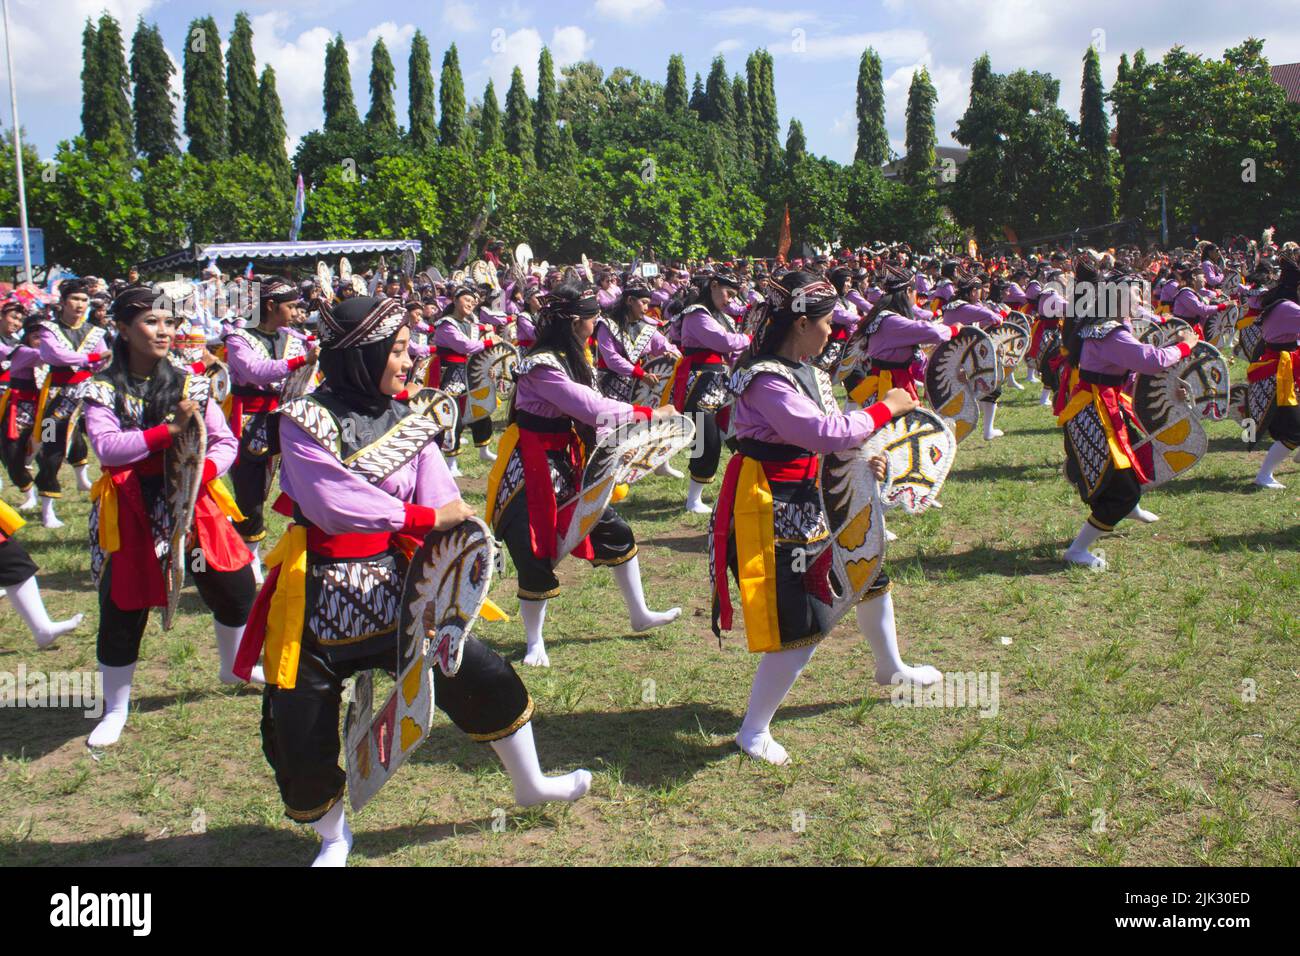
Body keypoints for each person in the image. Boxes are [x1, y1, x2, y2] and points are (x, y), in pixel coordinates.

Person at [243, 294, 590, 866]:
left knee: (479, 671)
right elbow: (333, 503)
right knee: (297, 725)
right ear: (365, 353)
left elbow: (444, 500)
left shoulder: (414, 417)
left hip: (400, 584)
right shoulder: (302, 419)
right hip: (315, 590)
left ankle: (530, 783)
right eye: (400, 350)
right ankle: (334, 836)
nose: (411, 360)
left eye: (409, 348)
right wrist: (423, 519)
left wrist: (456, 555)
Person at [710, 271, 939, 767]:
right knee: (803, 618)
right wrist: (887, 408)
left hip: (815, 490)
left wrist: (864, 458)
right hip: (773, 502)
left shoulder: (801, 368)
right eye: (828, 322)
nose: (834, 332)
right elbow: (821, 431)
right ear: (799, 323)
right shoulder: (766, 377)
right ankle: (753, 730)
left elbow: (836, 439)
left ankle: (891, 668)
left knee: (869, 573)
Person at [81, 287, 259, 748]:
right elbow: (106, 448)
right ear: (121, 328)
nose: (163, 331)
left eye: (168, 322)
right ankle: (115, 708)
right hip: (131, 505)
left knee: (235, 584)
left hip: (191, 500)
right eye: (150, 322)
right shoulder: (102, 387)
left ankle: (232, 667)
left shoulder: (189, 382)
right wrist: (169, 431)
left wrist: (201, 471)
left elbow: (223, 441)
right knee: (125, 605)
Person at [484, 281, 681, 668]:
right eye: (593, 318)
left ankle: (639, 613)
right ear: (576, 322)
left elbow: (593, 415)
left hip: (566, 461)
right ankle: (533, 641)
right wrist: (650, 415)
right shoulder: (542, 365)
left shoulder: (574, 356)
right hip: (530, 469)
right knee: (533, 551)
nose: (597, 324)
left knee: (614, 530)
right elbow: (591, 408)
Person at [1057, 270, 1197, 569]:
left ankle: (1130, 507)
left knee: (1139, 453)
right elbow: (1150, 361)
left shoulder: (1110, 326)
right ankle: (1078, 550)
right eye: (1136, 293)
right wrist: (1185, 346)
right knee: (1120, 488)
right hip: (1095, 413)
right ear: (1118, 297)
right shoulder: (1111, 332)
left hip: (1104, 406)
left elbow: (1133, 373)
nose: (1142, 299)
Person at [225, 278, 316, 581]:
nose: (294, 312)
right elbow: (255, 371)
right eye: (290, 306)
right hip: (250, 421)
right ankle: (249, 555)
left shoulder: (292, 337)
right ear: (270, 306)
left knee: (303, 480)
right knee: (251, 491)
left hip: (285, 417)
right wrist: (301, 360)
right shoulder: (238, 338)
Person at [667, 273, 751, 514]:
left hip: (721, 382)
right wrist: (750, 339)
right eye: (728, 294)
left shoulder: (717, 315)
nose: (729, 301)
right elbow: (724, 342)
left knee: (738, 434)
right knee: (706, 439)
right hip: (700, 382)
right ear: (713, 286)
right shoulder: (696, 314)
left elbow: (731, 349)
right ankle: (693, 499)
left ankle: (744, 487)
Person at [33, 278, 110, 527]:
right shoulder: (48, 329)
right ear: (63, 302)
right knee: (51, 445)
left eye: (84, 300)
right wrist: (93, 357)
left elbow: (104, 360)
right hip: (58, 393)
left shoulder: (95, 331)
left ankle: (97, 486)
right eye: (75, 299)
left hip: (89, 390)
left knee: (109, 437)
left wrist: (96, 360)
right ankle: (47, 508)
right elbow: (56, 354)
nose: (80, 304)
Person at [1248, 251, 1300, 489]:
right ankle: (1264, 475)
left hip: (1282, 366)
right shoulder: (1289, 308)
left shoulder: (1282, 304)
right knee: (1292, 431)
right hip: (1281, 371)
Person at [433, 285, 497, 476]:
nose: (470, 304)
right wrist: (487, 342)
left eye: (473, 302)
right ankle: (451, 461)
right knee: (453, 418)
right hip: (450, 374)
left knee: (480, 410)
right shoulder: (445, 324)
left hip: (468, 372)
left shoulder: (470, 324)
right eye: (466, 300)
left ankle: (484, 450)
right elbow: (465, 346)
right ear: (455, 300)